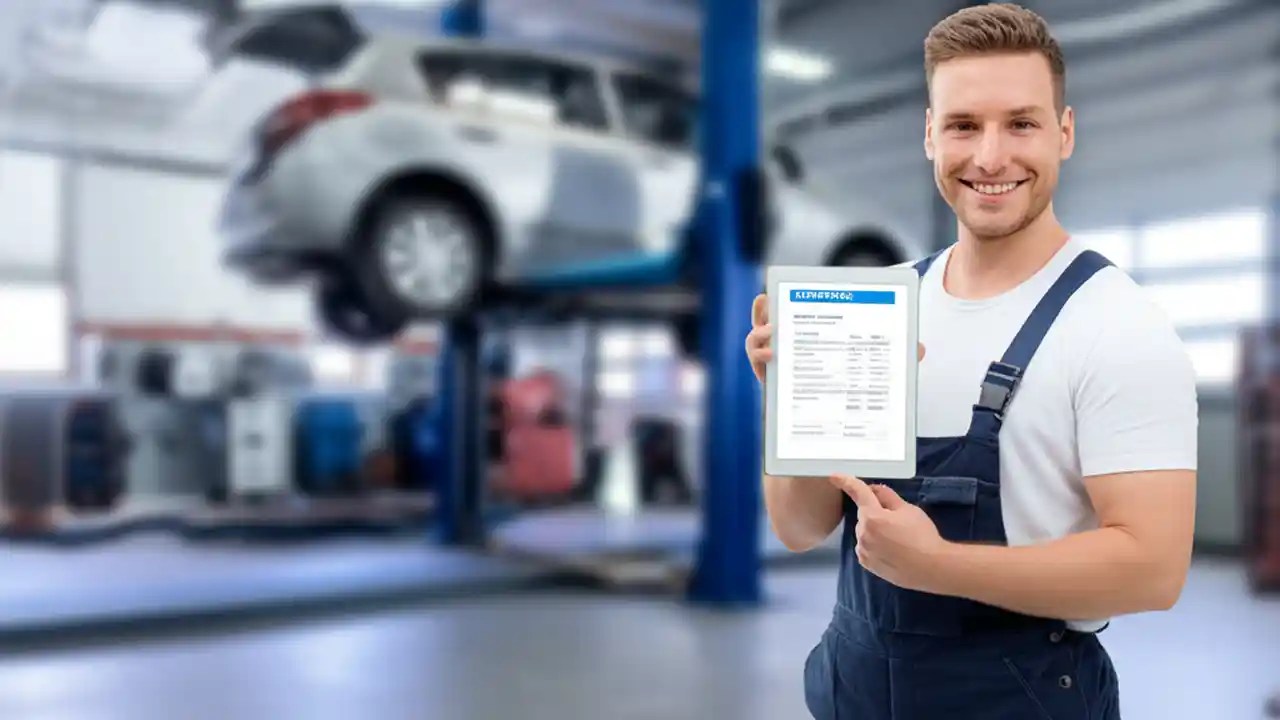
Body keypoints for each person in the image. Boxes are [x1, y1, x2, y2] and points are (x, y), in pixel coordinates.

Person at [745, 4, 1199, 719]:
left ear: (1064, 133)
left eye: (1021, 123)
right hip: (856, 691)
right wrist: (789, 400)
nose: (990, 157)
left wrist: (938, 567)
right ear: (930, 134)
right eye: (963, 125)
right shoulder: (878, 308)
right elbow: (800, 528)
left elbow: (1153, 568)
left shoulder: (1118, 323)